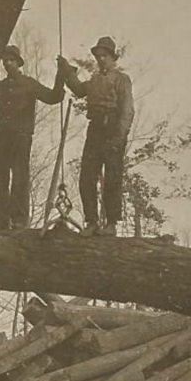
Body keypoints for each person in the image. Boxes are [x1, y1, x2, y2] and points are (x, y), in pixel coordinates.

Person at [0, 45, 65, 230]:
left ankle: (19, 221)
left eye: (11, 60)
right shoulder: (1, 86)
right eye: (5, 61)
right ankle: (0, 221)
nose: (7, 63)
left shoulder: (29, 84)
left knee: (20, 177)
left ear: (18, 63)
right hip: (2, 136)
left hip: (21, 136)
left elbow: (53, 97)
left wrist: (61, 76)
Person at [57, 36, 134, 237]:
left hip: (113, 128)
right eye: (98, 56)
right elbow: (79, 90)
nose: (101, 59)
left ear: (112, 57)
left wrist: (120, 137)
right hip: (96, 129)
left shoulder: (121, 79)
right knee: (87, 176)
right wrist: (67, 71)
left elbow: (127, 111)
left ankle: (111, 223)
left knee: (112, 177)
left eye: (105, 56)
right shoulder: (95, 80)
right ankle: (91, 221)